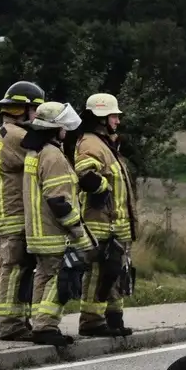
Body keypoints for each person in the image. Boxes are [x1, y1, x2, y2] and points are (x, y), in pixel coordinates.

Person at [20, 101, 97, 346]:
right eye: (63, 125)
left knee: (42, 278)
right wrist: (78, 232)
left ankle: (38, 323)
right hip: (53, 233)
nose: (66, 129)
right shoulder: (53, 155)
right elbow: (60, 201)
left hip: (36, 232)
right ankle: (45, 326)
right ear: (55, 128)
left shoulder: (35, 152)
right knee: (59, 279)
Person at [70, 93, 138, 337]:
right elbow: (85, 174)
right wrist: (103, 189)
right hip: (101, 224)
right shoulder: (90, 143)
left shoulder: (106, 144)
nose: (117, 121)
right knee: (98, 273)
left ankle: (113, 318)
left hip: (114, 225)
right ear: (101, 117)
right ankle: (91, 321)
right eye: (113, 116)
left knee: (115, 273)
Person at [0, 80, 45, 341]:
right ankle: (12, 324)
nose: (38, 116)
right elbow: (41, 162)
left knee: (5, 266)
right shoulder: (18, 137)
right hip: (14, 210)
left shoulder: (1, 132)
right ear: (23, 109)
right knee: (14, 266)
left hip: (0, 210)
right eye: (36, 110)